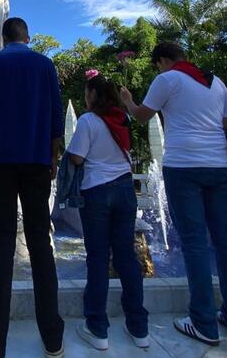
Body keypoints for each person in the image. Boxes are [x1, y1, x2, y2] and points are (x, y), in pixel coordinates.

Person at [120, 42, 227, 346]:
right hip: (218, 166)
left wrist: (127, 99)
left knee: (194, 243)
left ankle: (203, 321)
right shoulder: (216, 83)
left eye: (157, 64)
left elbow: (140, 116)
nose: (158, 69)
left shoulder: (168, 79)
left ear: (163, 60)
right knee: (226, 240)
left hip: (183, 167)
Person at [0, 17, 65, 358]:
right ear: (27, 36)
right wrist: (53, 155)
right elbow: (57, 114)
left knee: (3, 246)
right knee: (42, 244)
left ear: (5, 37)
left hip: (0, 163)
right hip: (38, 161)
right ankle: (53, 339)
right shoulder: (45, 64)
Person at [65, 74, 150, 350]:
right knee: (126, 256)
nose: (85, 97)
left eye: (87, 92)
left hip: (98, 191)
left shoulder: (88, 121)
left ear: (93, 95)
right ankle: (139, 328)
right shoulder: (122, 118)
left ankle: (97, 328)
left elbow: (77, 157)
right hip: (126, 190)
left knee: (98, 258)